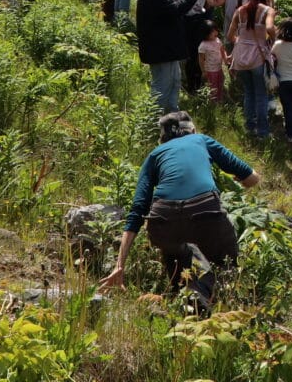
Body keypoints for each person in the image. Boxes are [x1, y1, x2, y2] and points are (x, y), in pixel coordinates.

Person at [101, 111, 259, 312]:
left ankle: (184, 300)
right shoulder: (201, 140)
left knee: (177, 256)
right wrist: (241, 180)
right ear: (192, 129)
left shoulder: (155, 155)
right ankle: (205, 300)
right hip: (206, 212)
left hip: (163, 220)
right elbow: (252, 178)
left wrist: (119, 266)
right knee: (225, 267)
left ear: (162, 138)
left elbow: (137, 210)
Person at [137, 0, 207, 114]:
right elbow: (177, 10)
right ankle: (154, 119)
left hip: (166, 49)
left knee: (175, 81)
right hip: (161, 51)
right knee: (162, 86)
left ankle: (172, 116)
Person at [229, 0, 276, 138]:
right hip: (257, 57)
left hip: (241, 58)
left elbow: (230, 35)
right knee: (261, 94)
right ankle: (262, 131)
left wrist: (242, 42)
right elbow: (269, 28)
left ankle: (250, 126)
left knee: (248, 92)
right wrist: (273, 41)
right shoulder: (267, 10)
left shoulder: (240, 11)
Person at [197, 20, 229, 104]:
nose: (215, 33)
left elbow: (222, 50)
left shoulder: (217, 40)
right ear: (206, 34)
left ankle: (220, 99)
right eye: (212, 32)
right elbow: (201, 59)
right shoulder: (203, 45)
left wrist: (225, 59)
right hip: (210, 70)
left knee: (220, 82)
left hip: (219, 68)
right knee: (213, 86)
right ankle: (213, 102)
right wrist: (203, 71)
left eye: (215, 30)